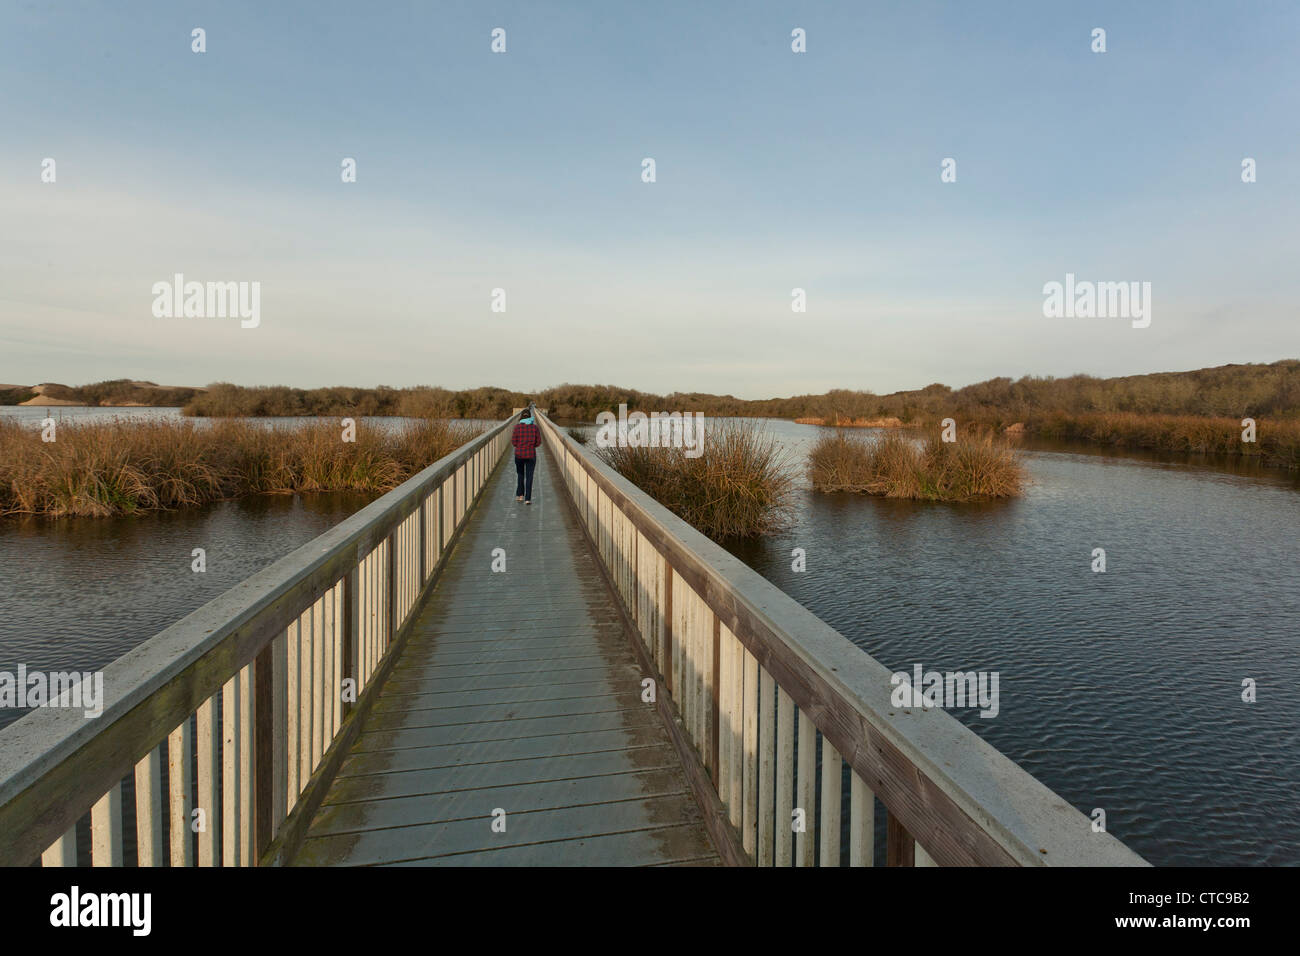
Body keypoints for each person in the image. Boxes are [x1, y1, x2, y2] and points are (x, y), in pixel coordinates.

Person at [511, 407, 541, 504]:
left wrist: (520, 446)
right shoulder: (535, 428)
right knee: (529, 476)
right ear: (530, 417)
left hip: (519, 455)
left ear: (521, 417)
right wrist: (531, 446)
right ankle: (527, 499)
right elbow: (538, 442)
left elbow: (514, 442)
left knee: (520, 474)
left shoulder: (517, 427)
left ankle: (520, 495)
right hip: (531, 455)